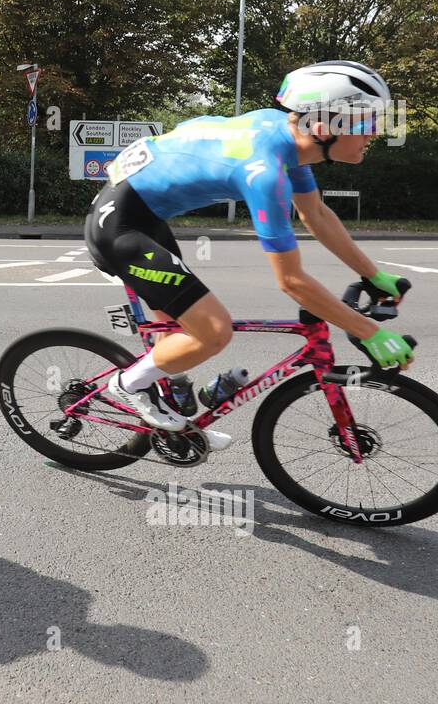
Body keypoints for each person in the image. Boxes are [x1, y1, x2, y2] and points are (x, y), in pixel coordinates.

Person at [85, 60, 413, 443]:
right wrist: (369, 332)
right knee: (213, 332)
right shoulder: (264, 171)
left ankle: (170, 396)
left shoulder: (288, 138)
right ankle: (126, 385)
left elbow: (317, 215)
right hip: (120, 228)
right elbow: (291, 282)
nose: (372, 134)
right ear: (323, 127)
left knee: (177, 330)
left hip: (143, 215)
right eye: (364, 123)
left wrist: (373, 276)